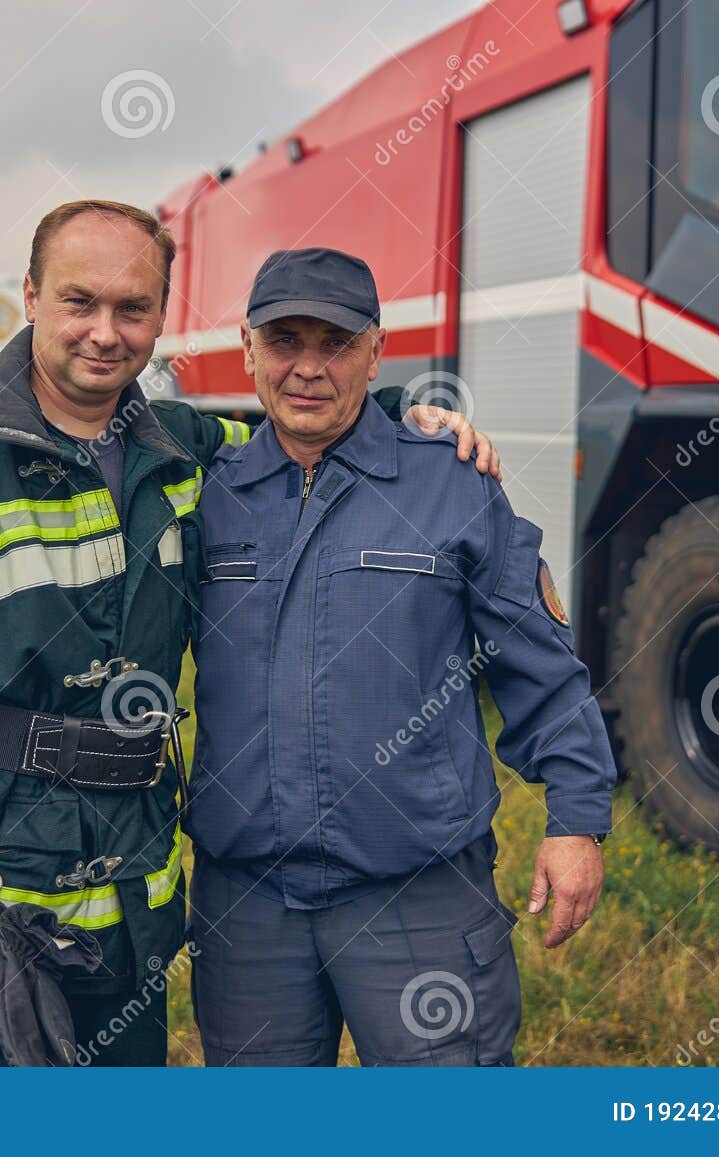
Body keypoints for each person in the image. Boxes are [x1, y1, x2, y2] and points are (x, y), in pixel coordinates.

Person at [0, 202, 498, 1065]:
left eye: (133, 309)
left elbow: (302, 424)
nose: (106, 334)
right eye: (80, 303)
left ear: (163, 316)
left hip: (130, 897)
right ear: (32, 297)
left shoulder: (186, 448)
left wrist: (413, 425)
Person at [185, 247, 617, 1066]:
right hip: (248, 904)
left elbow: (540, 662)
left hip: (417, 894)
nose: (308, 367)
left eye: (336, 343)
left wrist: (577, 821)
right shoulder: (207, 491)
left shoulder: (451, 483)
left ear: (377, 352)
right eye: (285, 341)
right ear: (247, 348)